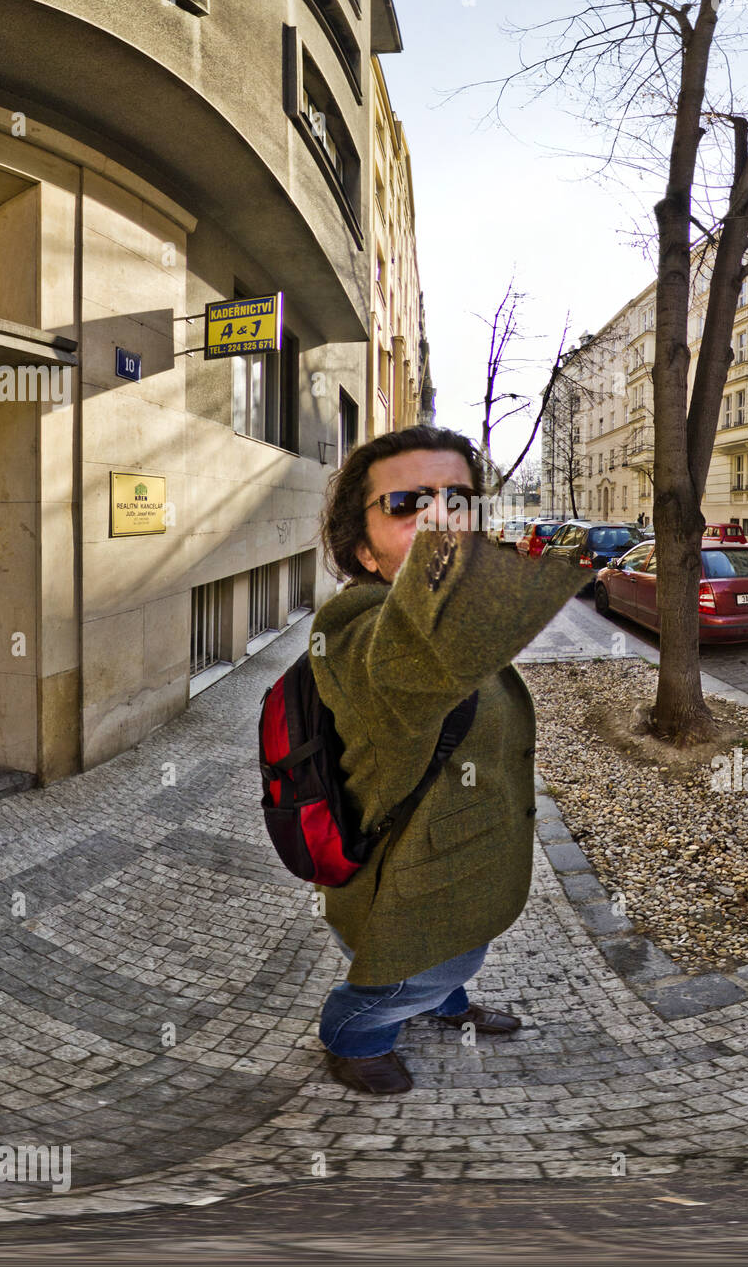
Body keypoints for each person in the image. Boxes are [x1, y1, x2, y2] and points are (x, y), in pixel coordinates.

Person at [307, 425, 588, 1094]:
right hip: (408, 877)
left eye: (458, 500)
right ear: (363, 554)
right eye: (407, 506)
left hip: (464, 859)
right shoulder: (357, 632)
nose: (443, 519)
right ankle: (357, 1032)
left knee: (460, 952)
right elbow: (408, 669)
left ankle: (445, 1001)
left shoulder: (443, 618)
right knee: (409, 968)